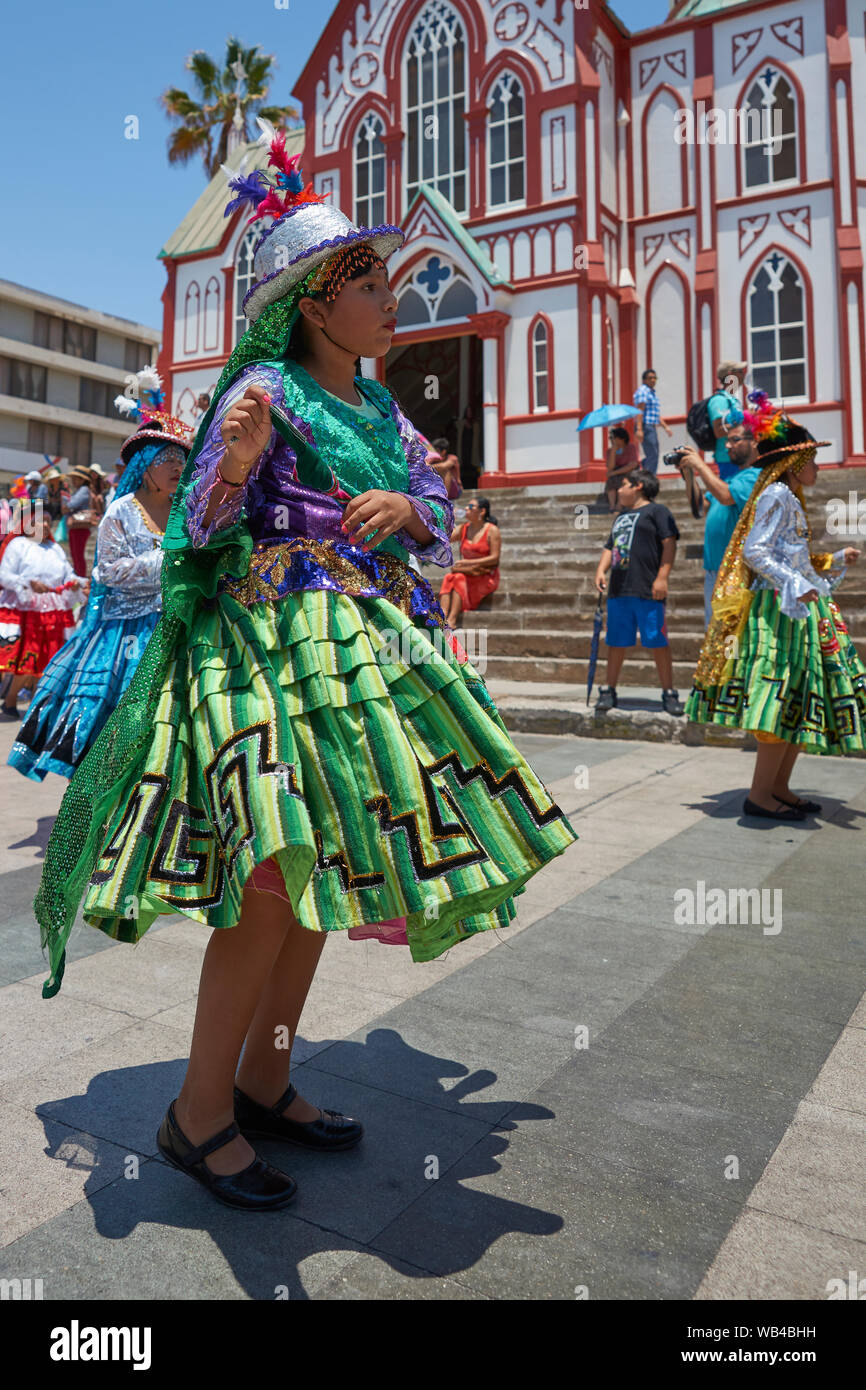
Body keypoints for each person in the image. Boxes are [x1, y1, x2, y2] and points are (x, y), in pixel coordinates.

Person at [34, 141, 577, 1212]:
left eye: (385, 284)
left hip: (362, 650)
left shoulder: (381, 413)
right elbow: (197, 526)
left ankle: (265, 1077)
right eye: (369, 286)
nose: (391, 299)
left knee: (328, 867)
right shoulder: (263, 389)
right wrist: (232, 465)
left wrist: (412, 514)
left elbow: (437, 524)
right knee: (272, 882)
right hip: (267, 650)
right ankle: (196, 1114)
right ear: (318, 309)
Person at [686, 393, 865, 816]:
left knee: (800, 700)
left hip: (802, 610)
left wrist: (834, 560)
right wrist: (793, 583)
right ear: (795, 462)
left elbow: (791, 557)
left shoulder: (789, 497)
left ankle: (779, 787)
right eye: (813, 459)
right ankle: (759, 795)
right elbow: (756, 552)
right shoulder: (777, 496)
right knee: (780, 700)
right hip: (780, 614)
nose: (818, 467)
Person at [9, 412, 190, 780]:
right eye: (166, 459)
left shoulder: (182, 511)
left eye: (181, 460)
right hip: (123, 635)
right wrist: (169, 560)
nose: (176, 466)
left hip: (173, 627)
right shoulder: (121, 512)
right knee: (119, 724)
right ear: (144, 465)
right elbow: (109, 571)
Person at [594, 468, 683, 714]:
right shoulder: (620, 516)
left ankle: (669, 692)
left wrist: (662, 577)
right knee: (616, 642)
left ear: (638, 486)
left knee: (657, 640)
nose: (619, 491)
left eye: (623, 485)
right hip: (619, 590)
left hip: (647, 589)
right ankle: (609, 690)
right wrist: (601, 570)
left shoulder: (658, 512)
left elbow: (669, 543)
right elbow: (609, 546)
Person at [0, 522, 87, 718]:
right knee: (29, 659)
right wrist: (28, 584)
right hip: (28, 609)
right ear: (28, 526)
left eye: (48, 520)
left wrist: (76, 584)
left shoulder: (54, 548)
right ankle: (13, 700)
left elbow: (68, 575)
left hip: (53, 610)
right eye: (40, 520)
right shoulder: (18, 545)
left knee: (50, 659)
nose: (46, 524)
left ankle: (34, 706)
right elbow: (4, 576)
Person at [678, 425, 763, 625]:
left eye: (735, 440)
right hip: (714, 569)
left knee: (732, 634)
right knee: (716, 634)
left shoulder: (757, 475)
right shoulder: (730, 479)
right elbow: (699, 508)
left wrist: (700, 464)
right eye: (727, 441)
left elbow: (725, 497)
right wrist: (689, 475)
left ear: (754, 441)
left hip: (737, 570)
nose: (727, 446)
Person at [438, 498, 501, 625]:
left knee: (457, 577)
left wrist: (468, 563)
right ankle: (442, 616)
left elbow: (495, 557)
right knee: (450, 577)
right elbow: (444, 539)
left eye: (471, 506)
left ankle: (452, 619)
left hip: (484, 574)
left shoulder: (492, 530)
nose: (466, 508)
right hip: (466, 574)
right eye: (467, 506)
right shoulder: (463, 528)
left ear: (482, 511)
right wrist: (449, 519)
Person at [708, 360, 747, 482]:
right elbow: (718, 431)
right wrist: (742, 423)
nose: (743, 374)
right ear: (731, 375)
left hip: (738, 456)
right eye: (740, 371)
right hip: (727, 458)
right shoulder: (719, 400)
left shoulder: (733, 400)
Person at [632, 369, 672, 475]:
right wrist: (639, 429)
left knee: (654, 453)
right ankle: (649, 477)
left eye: (655, 378)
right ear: (644, 380)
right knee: (653, 454)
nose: (653, 380)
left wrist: (665, 427)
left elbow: (654, 414)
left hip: (650, 426)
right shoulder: (643, 391)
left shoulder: (651, 393)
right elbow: (640, 410)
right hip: (645, 426)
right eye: (650, 378)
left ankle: (643, 471)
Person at [62, 465, 98, 576]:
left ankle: (80, 578)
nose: (73, 480)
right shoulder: (82, 490)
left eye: (76, 478)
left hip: (80, 526)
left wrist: (66, 505)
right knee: (76, 555)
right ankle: (79, 576)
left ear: (82, 480)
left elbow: (72, 505)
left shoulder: (83, 490)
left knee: (77, 555)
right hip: (77, 526)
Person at [604, 426, 640, 512]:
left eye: (613, 437)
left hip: (628, 472)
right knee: (611, 481)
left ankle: (619, 504)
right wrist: (613, 451)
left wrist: (614, 473)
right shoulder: (609, 451)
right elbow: (610, 467)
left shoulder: (631, 447)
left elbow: (632, 465)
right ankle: (612, 506)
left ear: (621, 438)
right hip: (617, 472)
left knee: (625, 479)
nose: (611, 440)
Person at [429, 436, 463, 501]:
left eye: (436, 450)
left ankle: (444, 499)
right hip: (439, 488)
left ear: (444, 451)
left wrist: (429, 465)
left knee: (445, 471)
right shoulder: (433, 459)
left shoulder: (452, 458)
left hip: (455, 489)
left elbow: (444, 466)